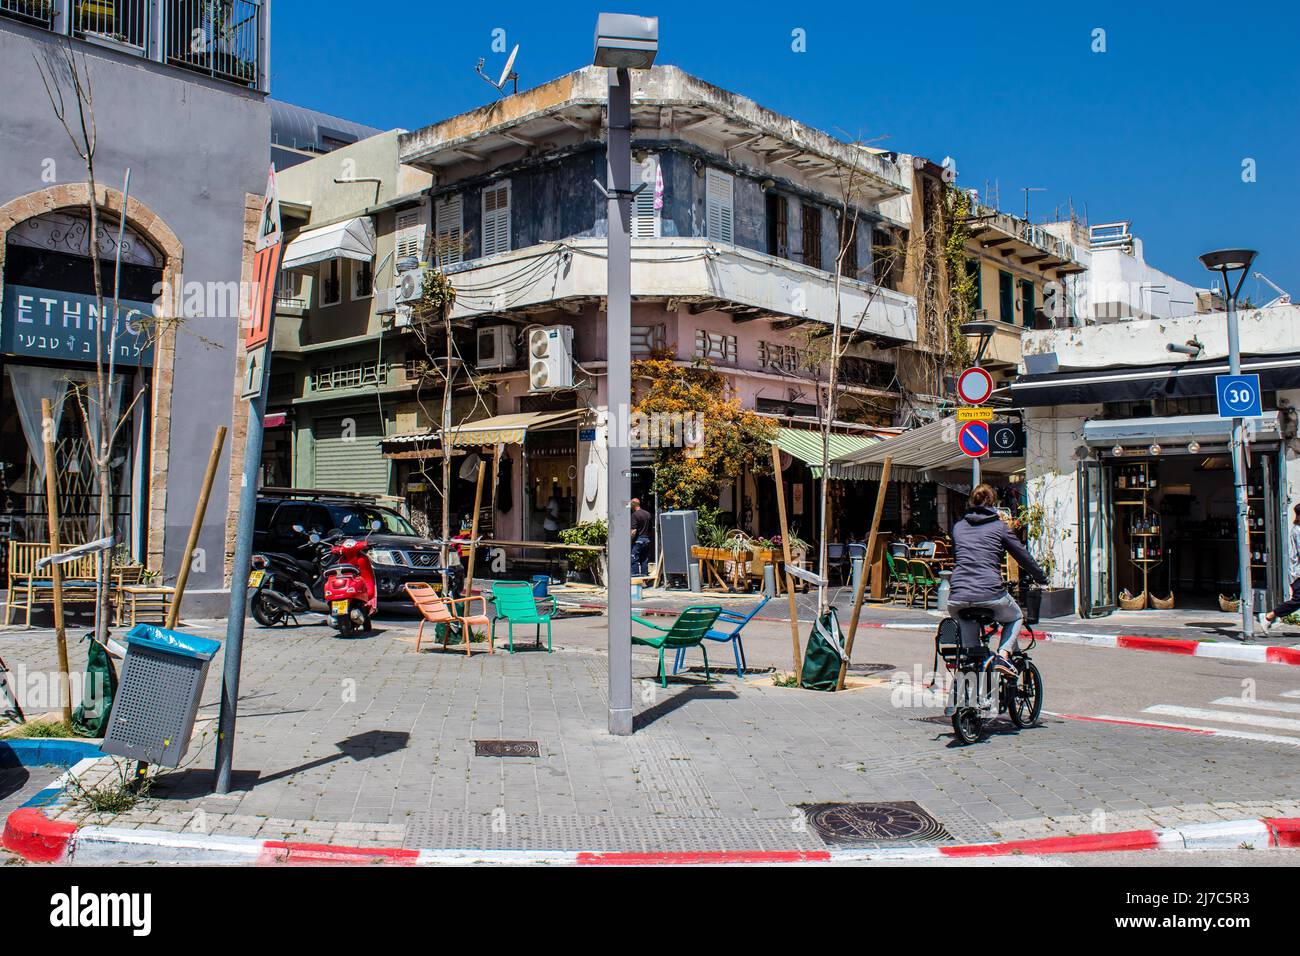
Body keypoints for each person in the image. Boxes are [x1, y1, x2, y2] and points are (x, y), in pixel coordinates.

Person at [948, 483, 1048, 678]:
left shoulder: (958, 527)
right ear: (993, 502)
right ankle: (1003, 656)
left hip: (957, 597)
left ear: (971, 502)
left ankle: (969, 697)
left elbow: (957, 556)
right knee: (1016, 616)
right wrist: (1041, 578)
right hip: (990, 592)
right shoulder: (999, 527)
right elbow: (1022, 556)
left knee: (971, 655)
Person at [1258, 502, 1300, 631]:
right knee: (1298, 599)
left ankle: (1271, 617)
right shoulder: (1298, 531)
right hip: (1298, 572)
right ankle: (1269, 617)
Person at [630, 498, 652, 577]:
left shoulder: (634, 515)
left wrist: (629, 540)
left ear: (633, 505)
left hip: (638, 540)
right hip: (647, 540)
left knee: (634, 559)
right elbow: (650, 529)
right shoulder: (647, 514)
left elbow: (633, 531)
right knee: (644, 560)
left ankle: (635, 578)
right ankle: (644, 579)